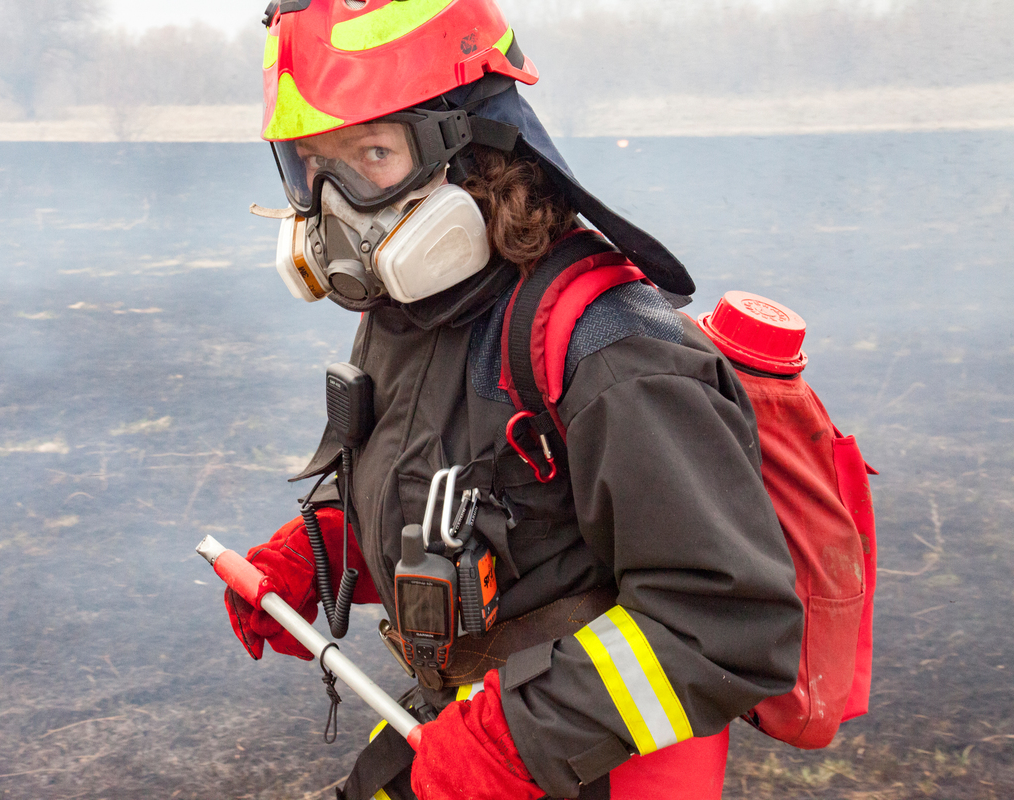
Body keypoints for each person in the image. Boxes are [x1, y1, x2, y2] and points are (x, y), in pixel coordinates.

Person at [225, 1, 804, 798]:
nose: (334, 207)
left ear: (477, 151)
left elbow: (726, 621)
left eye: (372, 153)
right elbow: (472, 499)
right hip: (466, 728)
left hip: (600, 768)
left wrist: (512, 740)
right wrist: (325, 550)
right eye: (310, 165)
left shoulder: (614, 353)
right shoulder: (413, 313)